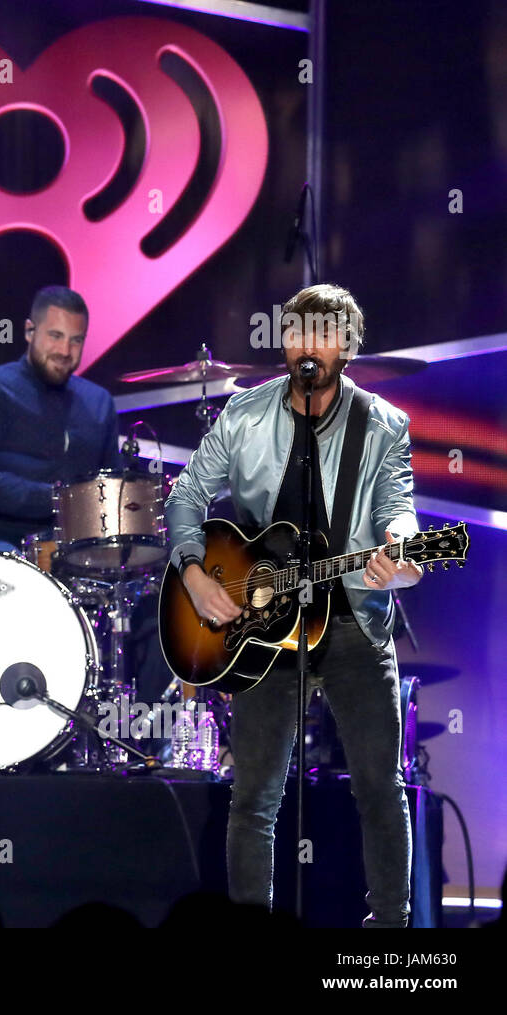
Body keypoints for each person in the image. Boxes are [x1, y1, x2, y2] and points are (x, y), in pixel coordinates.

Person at [165, 283, 420, 927]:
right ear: (284, 341)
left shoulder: (384, 425)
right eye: (299, 332)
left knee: (380, 790)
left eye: (326, 334)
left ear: (348, 347)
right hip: (264, 627)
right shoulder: (245, 415)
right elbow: (188, 494)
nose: (310, 345)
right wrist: (194, 571)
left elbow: (398, 511)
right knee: (254, 797)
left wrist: (402, 551)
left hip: (353, 619)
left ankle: (389, 934)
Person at [0, 286, 120, 552]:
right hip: (5, 540)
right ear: (29, 331)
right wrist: (60, 498)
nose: (65, 350)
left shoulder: (99, 402)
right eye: (55, 336)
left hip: (82, 547)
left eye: (76, 340)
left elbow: (113, 482)